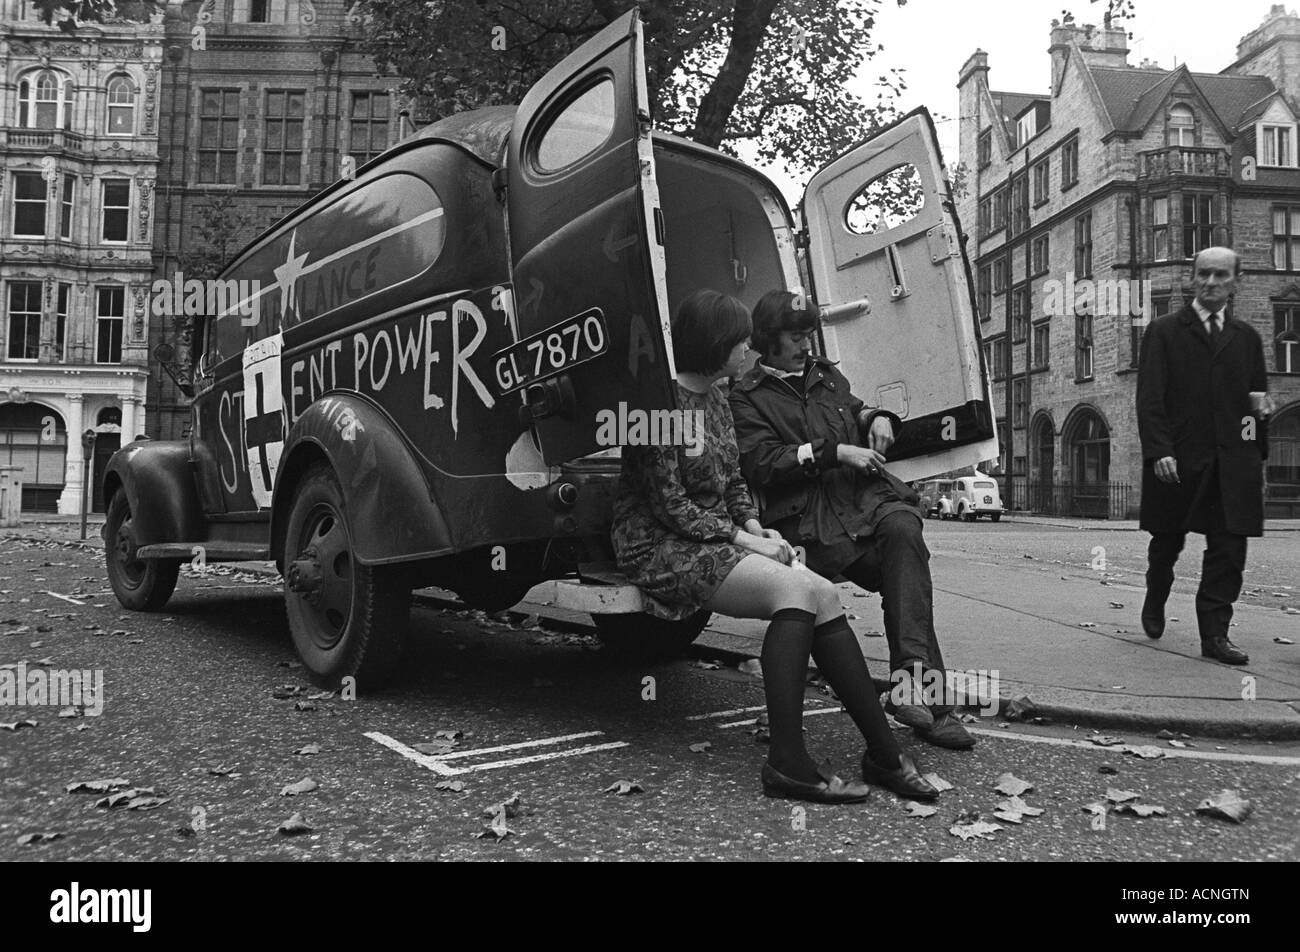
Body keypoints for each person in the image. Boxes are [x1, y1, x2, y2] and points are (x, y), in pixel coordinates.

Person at [612, 289, 938, 804]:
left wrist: (755, 525)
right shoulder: (657, 406)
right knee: (793, 593)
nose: (749, 349)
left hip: (715, 533)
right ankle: (788, 764)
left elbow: (736, 478)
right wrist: (745, 540)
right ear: (716, 345)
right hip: (658, 545)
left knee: (823, 596)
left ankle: (883, 753)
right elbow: (668, 505)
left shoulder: (718, 396)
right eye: (741, 342)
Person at [729, 290, 975, 750]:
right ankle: (927, 700)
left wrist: (876, 417)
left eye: (808, 335)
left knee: (904, 534)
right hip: (806, 527)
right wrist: (832, 452)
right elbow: (762, 462)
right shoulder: (747, 397)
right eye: (795, 337)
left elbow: (854, 410)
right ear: (768, 340)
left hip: (858, 507)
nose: (806, 345)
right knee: (904, 580)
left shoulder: (825, 374)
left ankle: (915, 685)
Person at [1136, 246, 1270, 665]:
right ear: (1191, 279)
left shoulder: (1247, 339)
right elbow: (1150, 399)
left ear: (1236, 282)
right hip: (1178, 461)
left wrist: (1254, 455)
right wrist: (1160, 450)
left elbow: (1254, 405)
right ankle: (1156, 596)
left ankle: (1215, 635)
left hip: (1232, 466)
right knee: (1167, 542)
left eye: (1221, 276)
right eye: (1204, 275)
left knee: (1228, 550)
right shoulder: (1164, 331)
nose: (1212, 283)